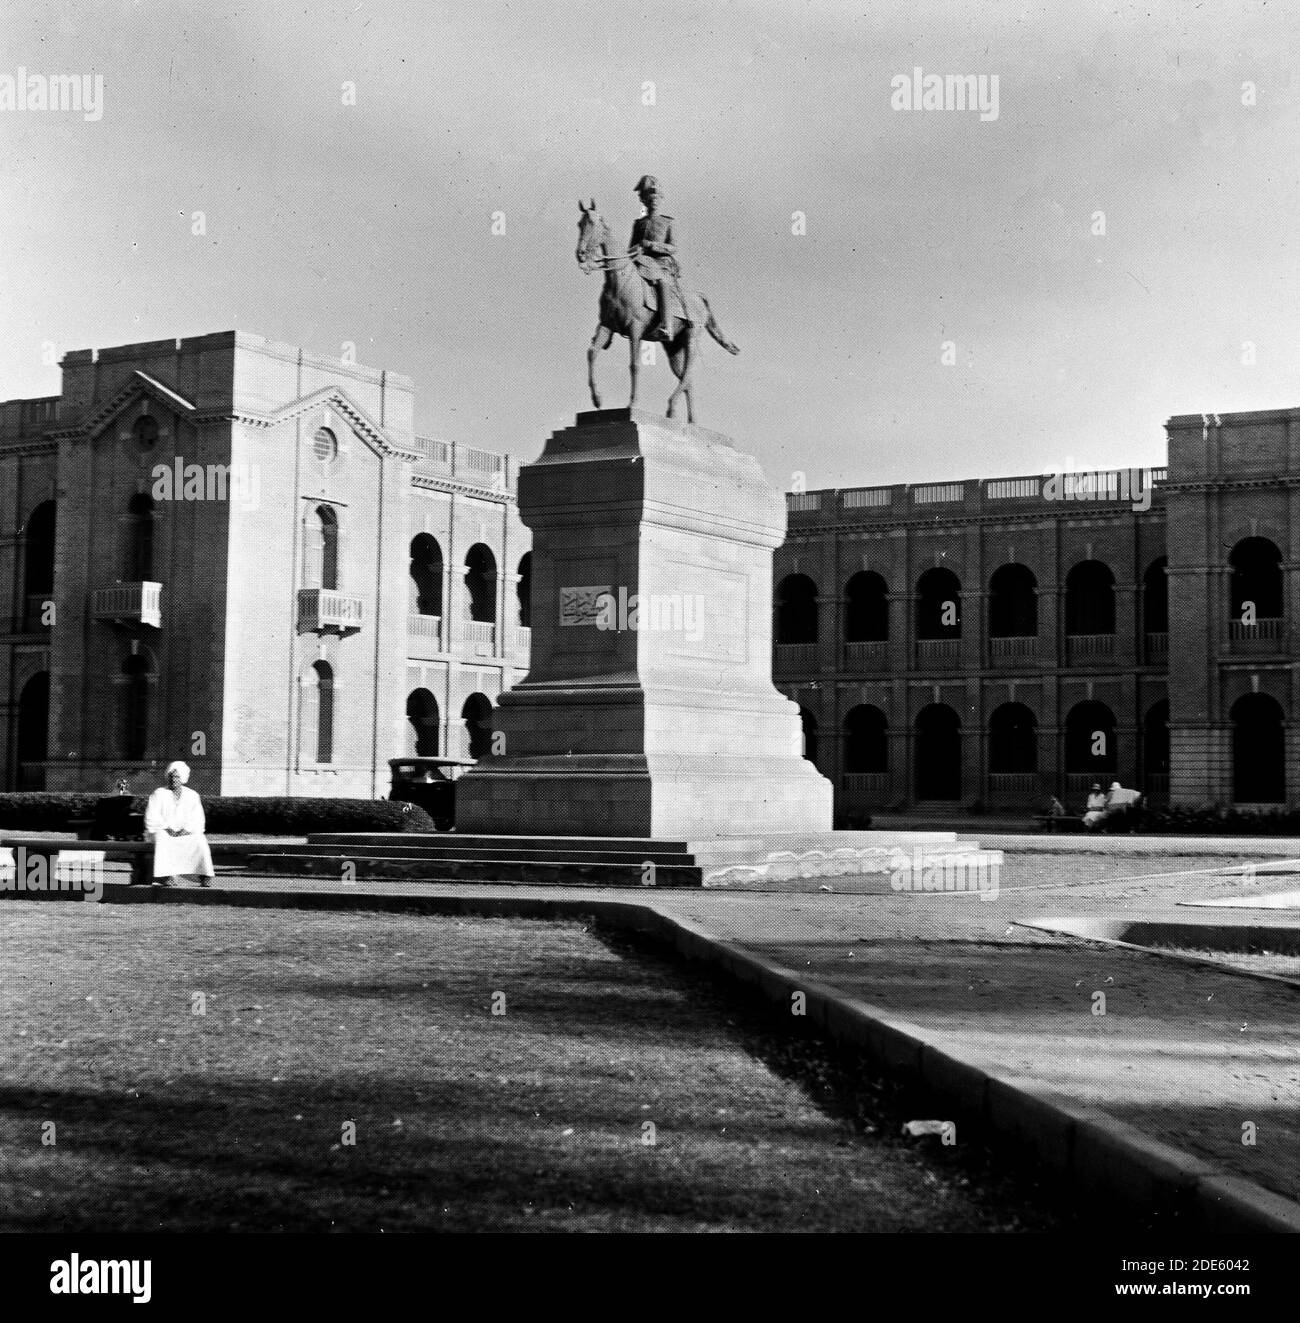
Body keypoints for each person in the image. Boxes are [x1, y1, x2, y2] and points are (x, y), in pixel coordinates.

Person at [629, 175, 684, 341]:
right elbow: (631, 247)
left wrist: (652, 245)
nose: (653, 201)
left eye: (656, 198)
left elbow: (673, 247)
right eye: (649, 198)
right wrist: (635, 249)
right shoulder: (638, 224)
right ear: (644, 201)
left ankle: (666, 326)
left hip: (662, 264)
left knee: (662, 282)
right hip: (641, 263)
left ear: (660, 200)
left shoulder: (668, 222)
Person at [145, 761, 214, 887]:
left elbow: (198, 819)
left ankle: (204, 875)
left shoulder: (192, 795)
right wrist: (167, 828)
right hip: (163, 831)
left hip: (185, 832)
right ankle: (169, 876)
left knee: (199, 839)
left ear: (182, 778)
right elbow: (151, 817)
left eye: (176, 777)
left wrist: (186, 830)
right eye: (171, 776)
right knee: (162, 838)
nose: (173, 779)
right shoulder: (158, 793)